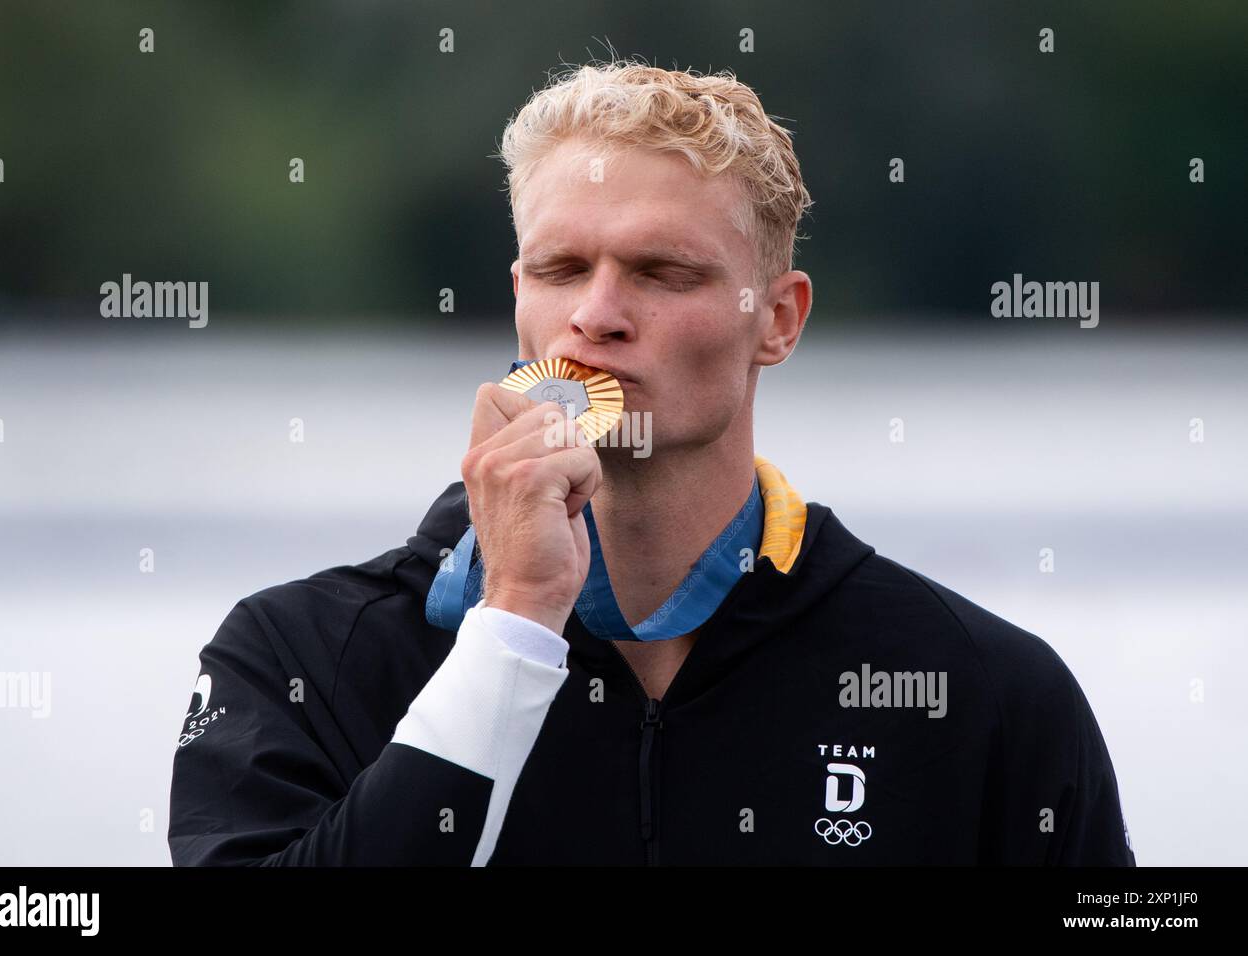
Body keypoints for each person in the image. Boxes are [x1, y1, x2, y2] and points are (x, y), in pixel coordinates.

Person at [168, 59, 1135, 866]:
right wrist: (513, 626)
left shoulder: (982, 689)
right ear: (519, 298)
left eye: (663, 274)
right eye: (559, 271)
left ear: (780, 320)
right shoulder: (299, 655)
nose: (596, 314)